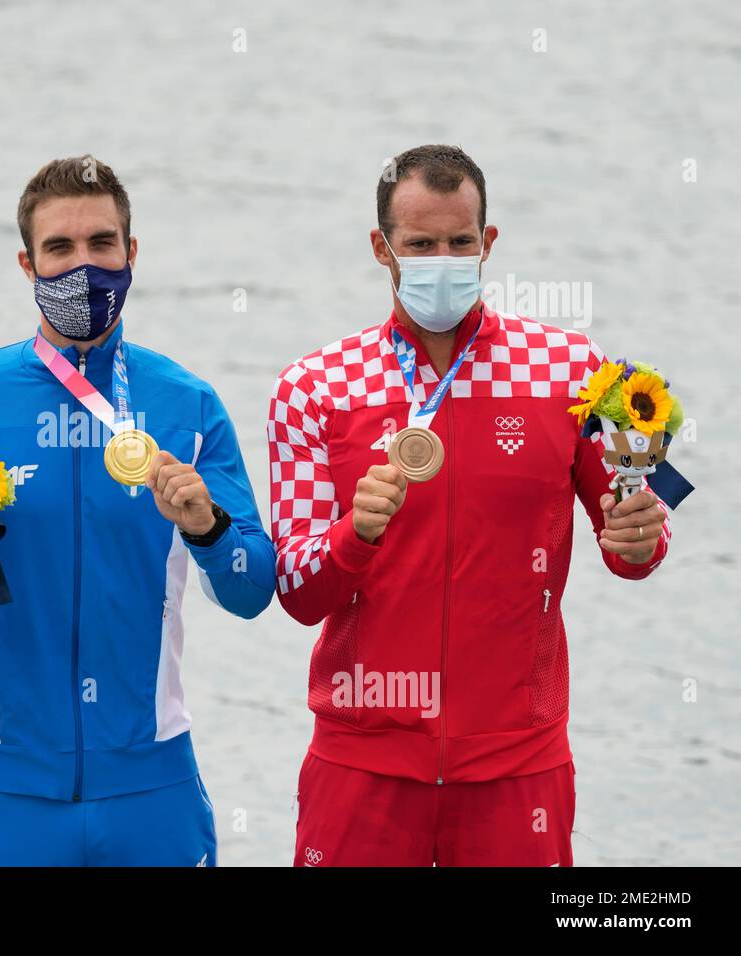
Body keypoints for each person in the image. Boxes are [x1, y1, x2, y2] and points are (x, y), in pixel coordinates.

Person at [0, 155, 276, 866]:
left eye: (101, 244)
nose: (84, 266)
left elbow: (251, 588)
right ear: (27, 264)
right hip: (3, 790)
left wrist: (206, 527)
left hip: (151, 788)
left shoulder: (188, 404)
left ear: (131, 252)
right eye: (60, 249)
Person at [268, 144, 672, 867]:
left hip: (518, 769)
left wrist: (643, 538)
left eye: (460, 242)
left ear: (488, 243)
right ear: (381, 248)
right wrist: (355, 534)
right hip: (363, 767)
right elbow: (299, 592)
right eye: (420, 245)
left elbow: (632, 534)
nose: (442, 260)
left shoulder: (572, 370)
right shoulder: (315, 387)